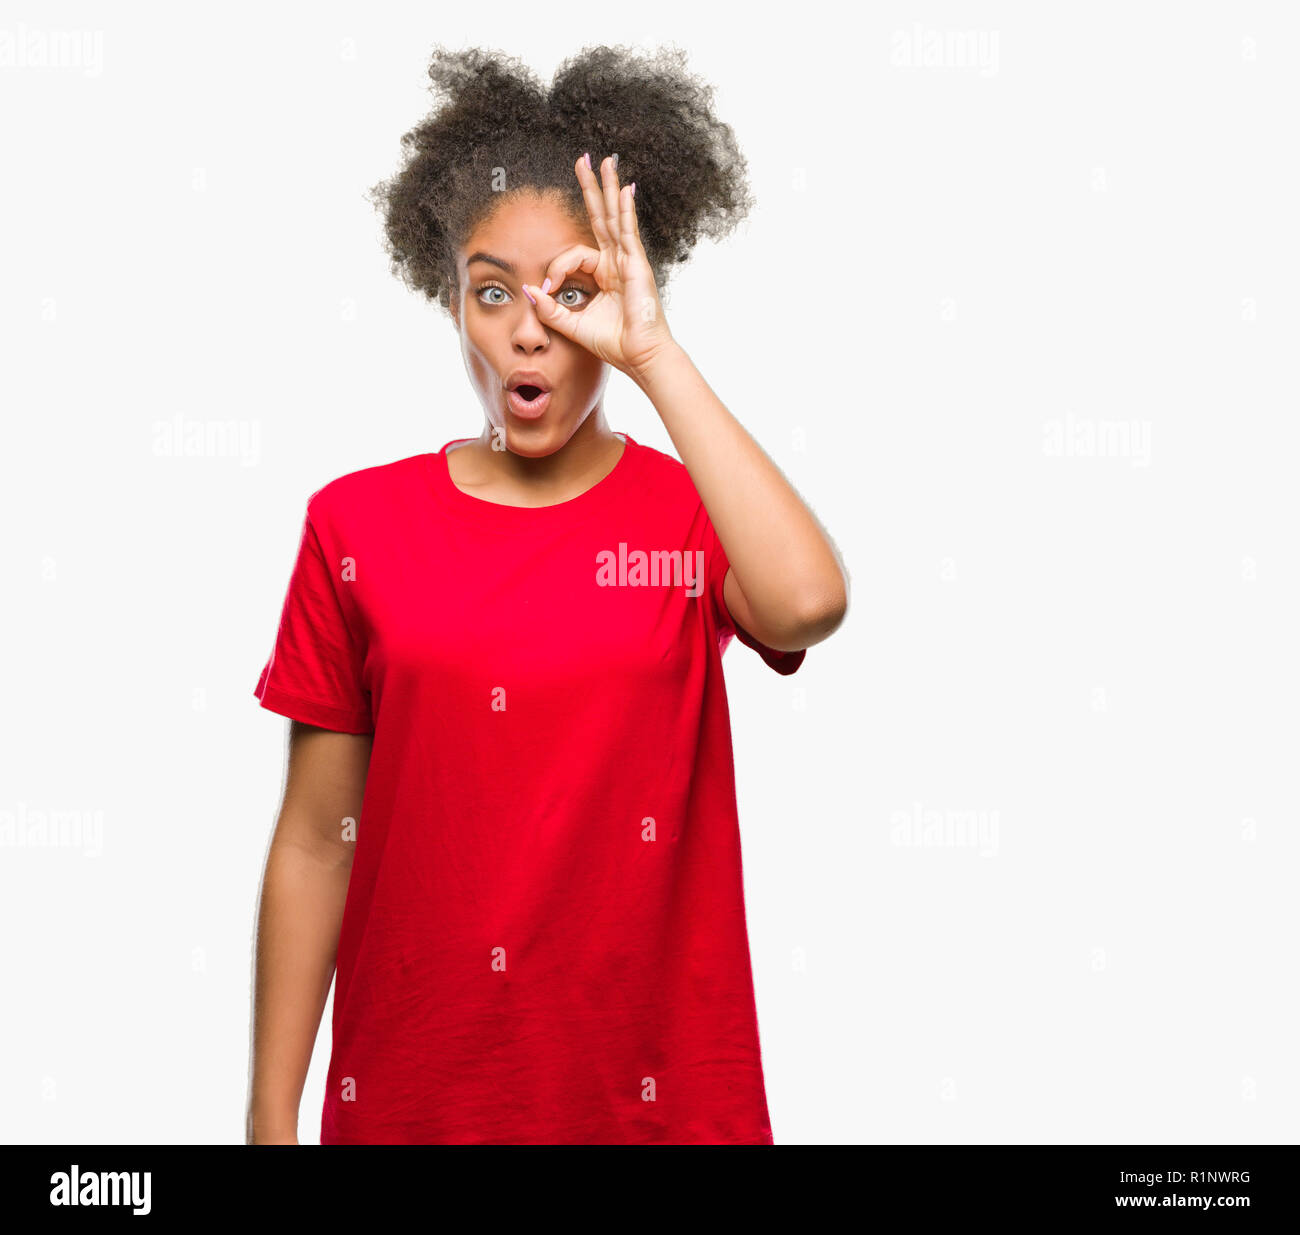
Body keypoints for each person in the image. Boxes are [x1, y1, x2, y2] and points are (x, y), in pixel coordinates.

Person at [246, 44, 848, 1146]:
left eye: (571, 292)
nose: (530, 330)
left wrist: (653, 353)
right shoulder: (356, 525)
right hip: (417, 1102)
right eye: (492, 293)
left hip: (659, 1105)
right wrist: (269, 1116)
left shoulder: (687, 517)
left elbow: (806, 601)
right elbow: (317, 840)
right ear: (451, 302)